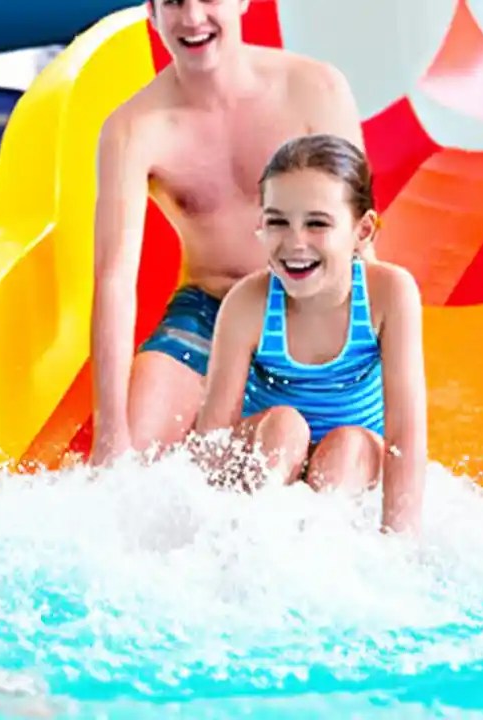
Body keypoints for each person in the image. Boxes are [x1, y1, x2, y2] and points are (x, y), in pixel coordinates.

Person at [90, 0, 366, 464]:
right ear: (152, 12)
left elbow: (359, 241)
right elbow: (114, 278)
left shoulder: (314, 90)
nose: (193, 18)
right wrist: (109, 429)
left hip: (308, 313)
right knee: (130, 465)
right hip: (207, 314)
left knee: (338, 465)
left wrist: (367, 368)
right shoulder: (132, 128)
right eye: (174, 2)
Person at [192, 134, 426, 534]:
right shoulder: (247, 303)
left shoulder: (388, 294)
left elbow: (406, 432)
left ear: (363, 230)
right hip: (270, 452)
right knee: (286, 426)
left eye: (317, 223)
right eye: (277, 222)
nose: (295, 243)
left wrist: (401, 546)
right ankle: (255, 536)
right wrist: (206, 532)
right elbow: (212, 439)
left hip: (351, 463)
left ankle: (321, 541)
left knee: (348, 445)